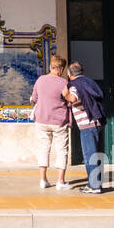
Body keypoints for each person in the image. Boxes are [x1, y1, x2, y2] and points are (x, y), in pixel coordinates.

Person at [29, 55, 72, 190]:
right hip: (59, 121)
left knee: (43, 148)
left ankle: (43, 180)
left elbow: (34, 98)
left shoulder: (40, 80)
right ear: (60, 69)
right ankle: (60, 181)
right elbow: (68, 100)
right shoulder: (64, 83)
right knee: (61, 150)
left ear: (50, 67)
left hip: (41, 119)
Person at [64, 61, 107, 193]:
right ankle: (97, 184)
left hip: (87, 124)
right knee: (97, 155)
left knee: (90, 156)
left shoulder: (75, 85)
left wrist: (64, 92)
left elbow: (72, 98)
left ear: (69, 73)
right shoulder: (89, 82)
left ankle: (94, 186)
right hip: (99, 121)